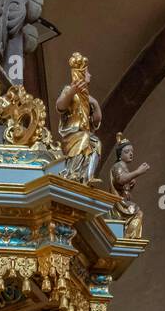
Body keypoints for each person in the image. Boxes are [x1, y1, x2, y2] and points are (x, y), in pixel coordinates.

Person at [56, 52, 102, 184]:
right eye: (87, 72)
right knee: (85, 138)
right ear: (80, 73)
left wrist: (96, 104)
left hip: (84, 132)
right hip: (73, 134)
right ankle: (73, 173)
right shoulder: (68, 90)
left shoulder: (87, 97)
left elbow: (96, 121)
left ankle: (88, 176)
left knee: (96, 143)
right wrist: (72, 92)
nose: (90, 75)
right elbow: (60, 106)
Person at [110, 134, 150, 238]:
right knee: (137, 213)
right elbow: (121, 179)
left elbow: (124, 183)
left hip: (124, 201)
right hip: (120, 203)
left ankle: (128, 238)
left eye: (131, 151)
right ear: (120, 155)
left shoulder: (124, 166)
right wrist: (138, 172)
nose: (131, 154)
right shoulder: (118, 165)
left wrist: (131, 181)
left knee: (137, 213)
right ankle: (128, 238)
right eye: (127, 152)